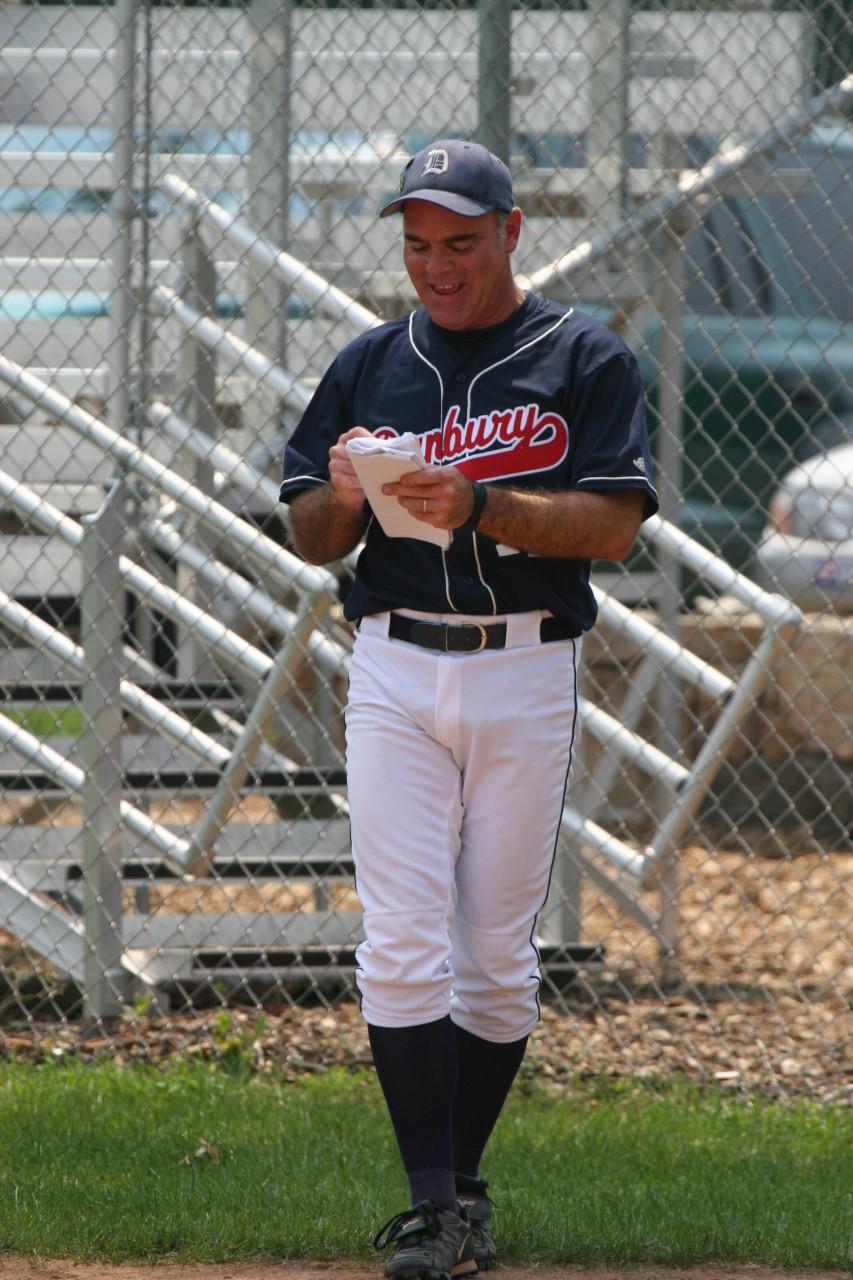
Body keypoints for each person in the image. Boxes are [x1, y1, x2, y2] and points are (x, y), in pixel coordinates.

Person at [280, 138, 658, 1279]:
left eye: (457, 240)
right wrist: (344, 500)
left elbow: (611, 525)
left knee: (493, 955)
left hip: (522, 665)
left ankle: (461, 1190)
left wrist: (482, 502)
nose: (435, 265)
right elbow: (306, 529)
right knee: (399, 939)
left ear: (509, 233)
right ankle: (434, 1203)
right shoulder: (367, 362)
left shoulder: (583, 356)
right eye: (416, 243)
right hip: (394, 664)